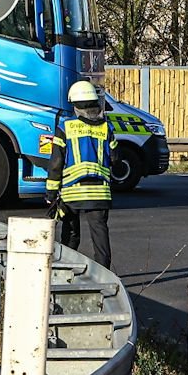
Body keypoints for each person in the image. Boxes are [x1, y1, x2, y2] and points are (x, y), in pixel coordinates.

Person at [45, 79, 115, 269]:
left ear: (74, 105)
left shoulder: (65, 128)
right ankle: (104, 275)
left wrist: (51, 194)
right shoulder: (107, 128)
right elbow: (115, 158)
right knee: (100, 235)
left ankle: (67, 271)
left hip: (72, 194)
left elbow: (56, 164)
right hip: (100, 193)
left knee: (71, 234)